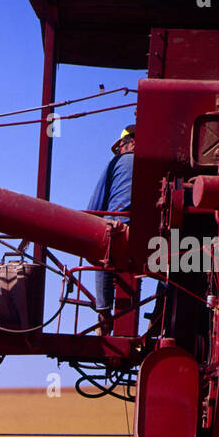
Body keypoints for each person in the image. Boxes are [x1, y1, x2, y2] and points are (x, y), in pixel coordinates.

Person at [87, 125, 135, 334]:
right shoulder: (155, 167)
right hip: (151, 238)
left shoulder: (117, 163)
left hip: (116, 229)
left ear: (130, 142)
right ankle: (161, 313)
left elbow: (94, 207)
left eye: (122, 145)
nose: (121, 149)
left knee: (102, 250)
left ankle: (104, 314)